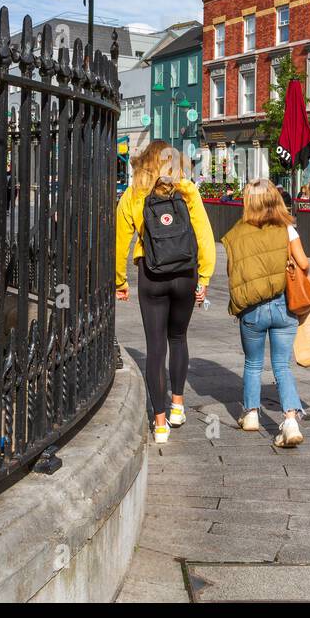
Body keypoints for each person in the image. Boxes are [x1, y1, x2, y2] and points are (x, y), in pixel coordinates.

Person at [115, 141, 215, 444]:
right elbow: (204, 236)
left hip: (152, 275)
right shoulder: (187, 190)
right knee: (178, 338)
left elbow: (120, 242)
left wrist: (120, 281)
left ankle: (159, 425)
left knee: (155, 347)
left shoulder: (133, 194)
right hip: (185, 273)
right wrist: (205, 277)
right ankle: (177, 406)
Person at [221, 179, 310, 449]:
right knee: (282, 366)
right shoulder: (287, 229)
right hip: (283, 305)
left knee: (252, 363)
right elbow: (304, 264)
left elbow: (233, 272)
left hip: (252, 309)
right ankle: (291, 419)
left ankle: (250, 414)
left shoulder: (237, 232)